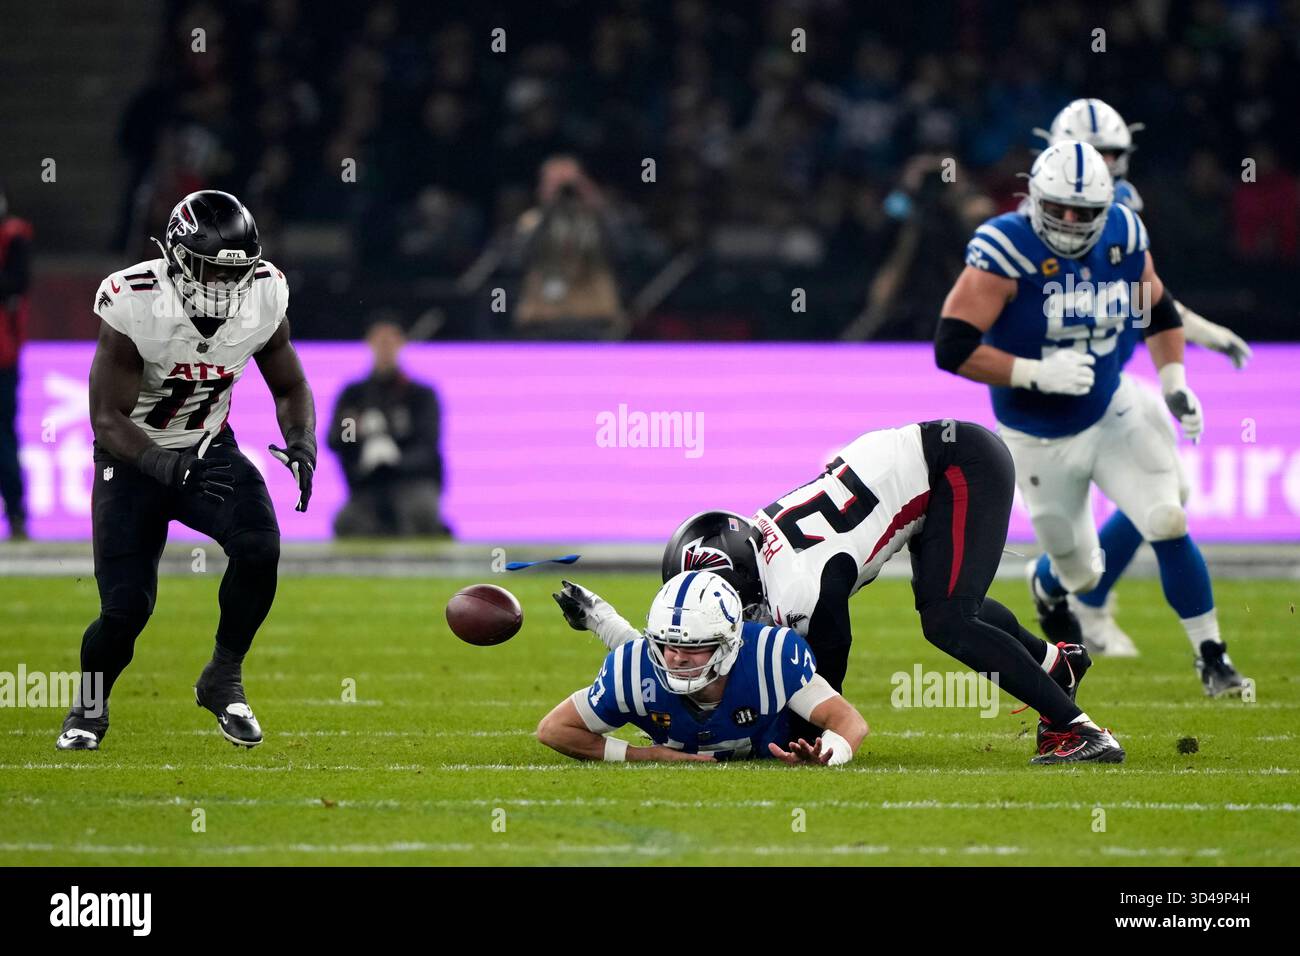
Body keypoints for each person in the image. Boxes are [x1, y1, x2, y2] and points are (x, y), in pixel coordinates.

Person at [556, 420, 1120, 764]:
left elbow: (830, 657)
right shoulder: (759, 556)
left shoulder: (797, 586)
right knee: (947, 605)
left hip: (956, 465)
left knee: (947, 619)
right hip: (923, 478)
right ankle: (1053, 662)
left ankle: (1078, 730)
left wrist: (816, 731)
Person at [933, 139, 1246, 697]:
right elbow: (951, 346)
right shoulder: (1006, 248)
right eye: (1060, 210)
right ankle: (1050, 586)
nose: (1073, 222)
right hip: (1036, 436)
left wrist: (1174, 380)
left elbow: (1157, 307)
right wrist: (1034, 373)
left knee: (1167, 516)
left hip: (1110, 409)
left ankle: (1213, 656)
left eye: (1085, 213)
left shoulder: (1124, 233)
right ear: (1034, 200)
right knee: (1082, 573)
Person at [57, 190, 317, 751]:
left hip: (207, 447)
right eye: (208, 272)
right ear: (175, 257)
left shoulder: (265, 294)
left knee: (260, 546)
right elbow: (106, 418)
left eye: (235, 275)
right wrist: (165, 468)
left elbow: (290, 382)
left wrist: (302, 439)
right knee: (126, 611)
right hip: (133, 458)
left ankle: (223, 678)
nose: (223, 288)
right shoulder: (136, 300)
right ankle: (89, 707)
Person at [1026, 99, 1251, 659]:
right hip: (1050, 393)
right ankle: (1078, 594)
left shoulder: (1119, 209)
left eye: (1111, 154)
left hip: (1111, 380)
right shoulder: (1047, 220)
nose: (1101, 163)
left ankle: (1079, 595)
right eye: (1092, 152)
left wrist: (1190, 341)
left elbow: (1152, 299)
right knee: (1139, 509)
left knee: (1166, 497)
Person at [538, 570, 869, 764]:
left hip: (768, 736)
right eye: (670, 645)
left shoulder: (770, 657)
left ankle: (609, 624)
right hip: (659, 696)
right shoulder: (632, 671)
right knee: (642, 662)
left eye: (695, 648)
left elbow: (850, 722)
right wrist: (649, 755)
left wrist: (830, 755)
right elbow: (553, 730)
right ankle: (608, 625)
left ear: (728, 644)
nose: (679, 658)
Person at [328, 319, 450, 537]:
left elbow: (429, 445)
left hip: (413, 482)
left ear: (401, 343)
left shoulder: (419, 394)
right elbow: (335, 439)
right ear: (369, 343)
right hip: (369, 486)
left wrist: (396, 460)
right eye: (379, 340)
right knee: (347, 522)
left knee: (419, 513)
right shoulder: (354, 395)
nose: (385, 347)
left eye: (390, 340)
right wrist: (356, 433)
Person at [0, 184, 33, 540]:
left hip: (2, 356)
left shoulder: (14, 239)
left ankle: (16, 512)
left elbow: (18, 283)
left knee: (3, 437)